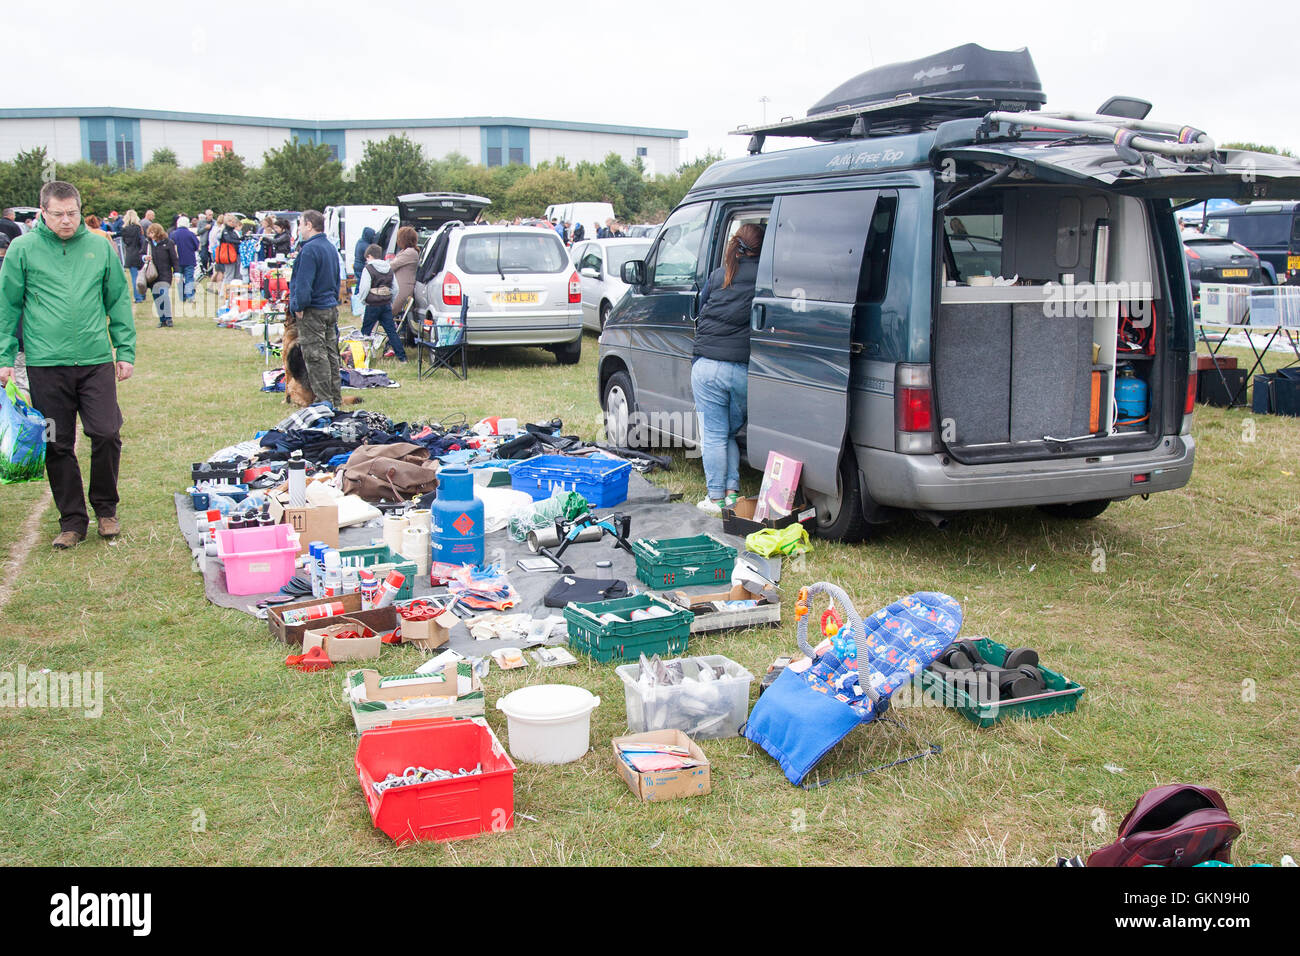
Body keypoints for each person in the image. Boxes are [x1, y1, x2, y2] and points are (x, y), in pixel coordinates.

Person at [0, 181, 136, 550]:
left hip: (94, 360)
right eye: (58, 214)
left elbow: (118, 300)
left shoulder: (98, 246)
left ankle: (106, 508)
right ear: (42, 212)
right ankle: (72, 520)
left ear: (80, 209)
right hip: (45, 363)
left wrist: (124, 350)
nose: (66, 221)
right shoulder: (22, 248)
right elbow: (8, 305)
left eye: (72, 213)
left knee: (106, 432)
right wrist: (4, 357)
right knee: (57, 443)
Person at [690, 222, 765, 514]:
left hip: (707, 367)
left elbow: (700, 309)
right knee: (730, 433)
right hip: (746, 371)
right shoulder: (767, 279)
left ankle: (716, 498)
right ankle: (732, 493)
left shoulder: (720, 275)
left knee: (715, 434)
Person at [288, 210, 343, 408]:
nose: (300, 229)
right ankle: (335, 398)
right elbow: (337, 279)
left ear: (309, 225)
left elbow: (303, 283)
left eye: (301, 225)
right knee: (331, 355)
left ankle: (324, 401)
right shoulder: (329, 247)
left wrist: (298, 305)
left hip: (313, 309)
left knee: (315, 356)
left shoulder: (310, 250)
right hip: (329, 306)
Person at [357, 242, 406, 363]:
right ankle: (402, 357)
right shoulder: (389, 268)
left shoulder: (368, 269)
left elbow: (364, 288)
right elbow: (396, 288)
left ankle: (362, 357)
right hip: (385, 304)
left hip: (372, 305)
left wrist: (363, 301)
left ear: (369, 256)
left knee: (366, 331)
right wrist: (391, 300)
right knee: (391, 331)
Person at [144, 222, 178, 327]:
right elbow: (140, 254)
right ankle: (162, 319)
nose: (150, 235)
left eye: (152, 232)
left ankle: (168, 318)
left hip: (165, 274)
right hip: (152, 275)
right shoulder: (148, 243)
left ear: (158, 232)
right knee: (157, 297)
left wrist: (176, 273)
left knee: (164, 295)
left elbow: (174, 259)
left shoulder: (168, 243)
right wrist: (144, 257)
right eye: (149, 233)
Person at [388, 225, 419, 334]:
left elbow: (392, 265)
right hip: (400, 286)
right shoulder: (406, 252)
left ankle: (392, 335)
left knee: (389, 311)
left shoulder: (410, 253)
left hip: (403, 288)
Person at [169, 215, 199, 301]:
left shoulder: (173, 234)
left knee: (179, 279)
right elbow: (196, 246)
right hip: (189, 259)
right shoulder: (191, 234)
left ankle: (182, 297)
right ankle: (190, 296)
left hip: (177, 260)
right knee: (189, 278)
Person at [120, 209, 147, 303]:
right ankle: (142, 295)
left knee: (134, 277)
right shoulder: (138, 228)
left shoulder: (124, 229)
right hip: (139, 253)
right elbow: (142, 241)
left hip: (130, 254)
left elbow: (125, 242)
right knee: (142, 276)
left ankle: (138, 297)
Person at [213, 213, 242, 296]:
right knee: (228, 275)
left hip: (235, 255)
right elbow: (228, 240)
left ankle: (234, 293)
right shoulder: (224, 231)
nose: (232, 223)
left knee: (237, 275)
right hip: (228, 255)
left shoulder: (233, 231)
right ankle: (223, 293)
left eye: (233, 221)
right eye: (230, 221)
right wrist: (239, 241)